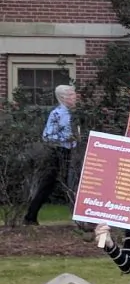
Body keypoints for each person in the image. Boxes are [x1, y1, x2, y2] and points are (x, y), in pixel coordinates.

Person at [25, 84, 79, 226]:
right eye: (72, 95)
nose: (75, 97)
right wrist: (67, 138)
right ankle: (30, 216)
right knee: (49, 183)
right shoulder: (57, 114)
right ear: (63, 97)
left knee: (73, 183)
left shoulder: (74, 113)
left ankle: (79, 219)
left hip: (71, 152)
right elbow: (47, 136)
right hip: (59, 152)